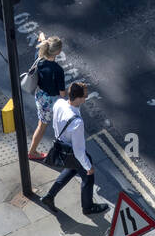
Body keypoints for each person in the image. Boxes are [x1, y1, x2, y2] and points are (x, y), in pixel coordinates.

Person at [39, 82, 108, 215]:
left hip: (61, 145)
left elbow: (55, 124)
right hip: (71, 151)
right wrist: (88, 167)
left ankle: (49, 196)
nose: (86, 98)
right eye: (85, 96)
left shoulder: (59, 103)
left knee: (70, 169)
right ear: (78, 98)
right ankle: (88, 207)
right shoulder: (77, 122)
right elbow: (79, 151)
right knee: (88, 177)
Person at [26, 33, 67, 160]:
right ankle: (32, 152)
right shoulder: (57, 70)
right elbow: (62, 93)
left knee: (54, 123)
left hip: (40, 95)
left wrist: (43, 39)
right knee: (43, 126)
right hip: (51, 101)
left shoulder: (40, 59)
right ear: (58, 52)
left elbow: (43, 45)